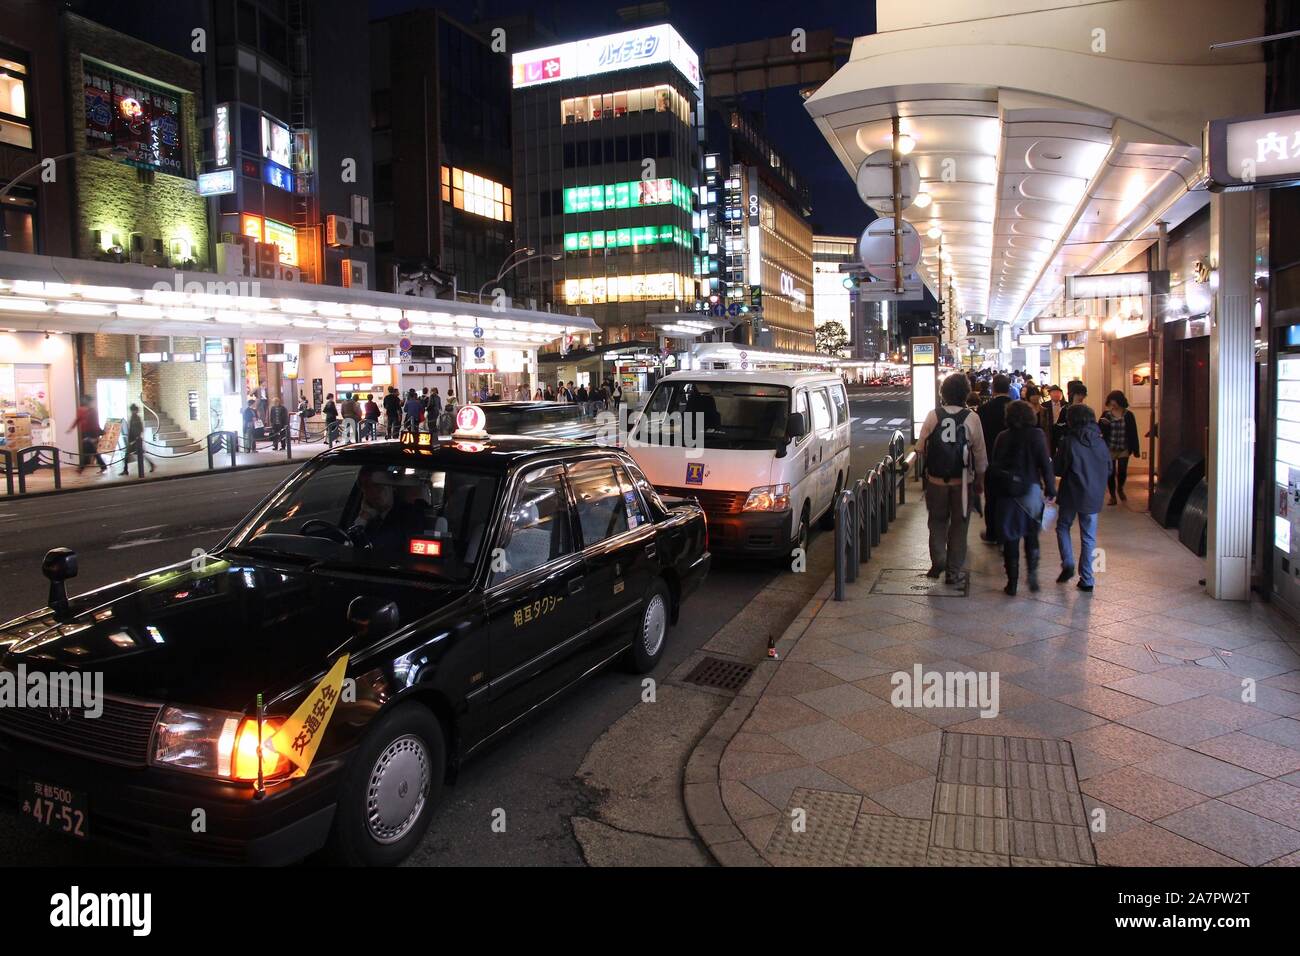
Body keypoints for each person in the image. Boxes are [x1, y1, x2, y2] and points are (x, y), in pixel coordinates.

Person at [917, 373, 988, 585]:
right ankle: (953, 572)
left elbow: (920, 447)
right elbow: (980, 454)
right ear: (965, 393)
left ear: (943, 393)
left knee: (937, 522)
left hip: (936, 481)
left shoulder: (933, 415)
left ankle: (938, 559)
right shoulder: (972, 418)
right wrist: (980, 480)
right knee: (959, 526)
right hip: (963, 482)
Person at [989, 400, 1056, 595]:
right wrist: (1051, 488)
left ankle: (1012, 582)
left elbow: (995, 465)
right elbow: (1045, 463)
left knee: (1011, 537)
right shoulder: (1037, 435)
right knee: (1031, 533)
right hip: (1031, 490)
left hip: (1008, 493)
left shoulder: (1002, 436)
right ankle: (1032, 574)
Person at [1053, 403, 1111, 592]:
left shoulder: (1068, 441)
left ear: (1072, 420)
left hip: (1071, 492)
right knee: (1089, 536)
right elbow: (1109, 468)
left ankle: (1068, 562)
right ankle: (1087, 579)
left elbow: (1058, 469)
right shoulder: (1100, 442)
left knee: (1063, 526)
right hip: (1093, 494)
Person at [977, 374, 1013, 546]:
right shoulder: (1017, 407)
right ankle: (1008, 530)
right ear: (1009, 388)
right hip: (1013, 461)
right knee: (1010, 497)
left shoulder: (984, 409)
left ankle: (992, 532)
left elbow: (979, 438)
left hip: (991, 459)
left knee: (991, 497)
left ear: (993, 389)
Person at [1100, 390, 1140, 504]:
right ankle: (1112, 496)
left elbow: (1133, 432)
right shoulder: (1106, 414)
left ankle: (1120, 488)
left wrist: (1136, 449)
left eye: (1115, 402)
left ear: (1120, 401)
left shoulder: (1128, 415)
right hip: (1110, 447)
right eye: (1111, 402)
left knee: (1122, 470)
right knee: (1110, 472)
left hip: (1124, 446)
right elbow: (1099, 430)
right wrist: (1104, 425)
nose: (1113, 405)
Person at [68, 395, 107, 474]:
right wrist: (71, 428)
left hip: (90, 433)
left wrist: (98, 434)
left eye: (86, 400)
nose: (84, 401)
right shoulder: (82, 410)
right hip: (85, 433)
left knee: (87, 450)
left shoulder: (92, 411)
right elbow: (77, 420)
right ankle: (102, 466)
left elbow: (95, 423)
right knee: (91, 450)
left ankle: (81, 468)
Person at [121, 404, 156, 475]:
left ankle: (126, 470)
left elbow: (138, 429)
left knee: (136, 454)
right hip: (133, 440)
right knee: (135, 454)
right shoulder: (133, 417)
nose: (132, 411)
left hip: (135, 440)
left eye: (133, 410)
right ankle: (125, 470)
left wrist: (135, 438)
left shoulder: (136, 418)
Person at [1042, 385, 1067, 453]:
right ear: (1050, 394)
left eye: (1058, 392)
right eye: (1054, 392)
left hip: (1062, 430)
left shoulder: (1066, 405)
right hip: (1049, 430)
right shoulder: (1044, 405)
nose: (1056, 394)